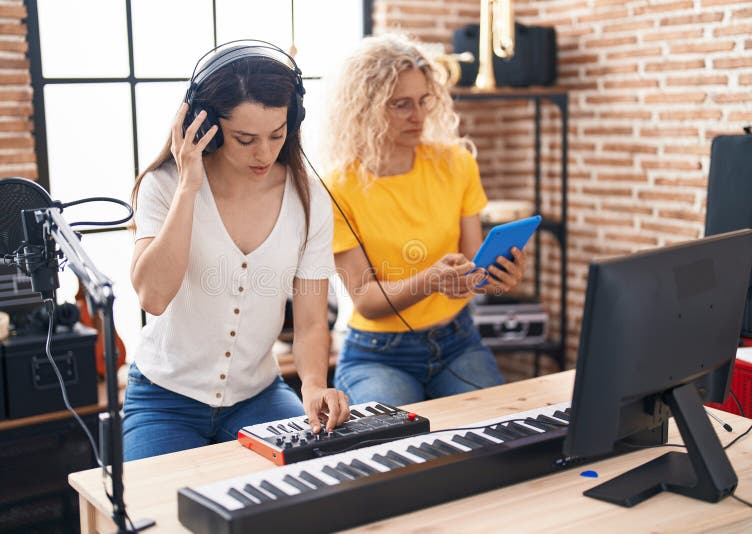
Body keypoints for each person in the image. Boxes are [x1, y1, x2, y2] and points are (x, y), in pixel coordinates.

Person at [124, 42, 349, 461]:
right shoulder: (165, 185)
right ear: (203, 126)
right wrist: (189, 187)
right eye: (245, 139)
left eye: (277, 135)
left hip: (258, 397)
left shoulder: (311, 198)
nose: (264, 153)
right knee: (155, 515)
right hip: (164, 400)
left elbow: (312, 320)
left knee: (322, 474)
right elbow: (152, 298)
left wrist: (315, 384)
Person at [323, 34, 528, 406]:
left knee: (501, 434)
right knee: (397, 454)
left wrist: (497, 278)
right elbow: (367, 301)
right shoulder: (338, 186)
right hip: (378, 353)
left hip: (458, 341)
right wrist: (431, 279)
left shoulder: (457, 164)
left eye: (423, 101)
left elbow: (471, 272)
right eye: (401, 105)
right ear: (365, 109)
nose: (418, 116)